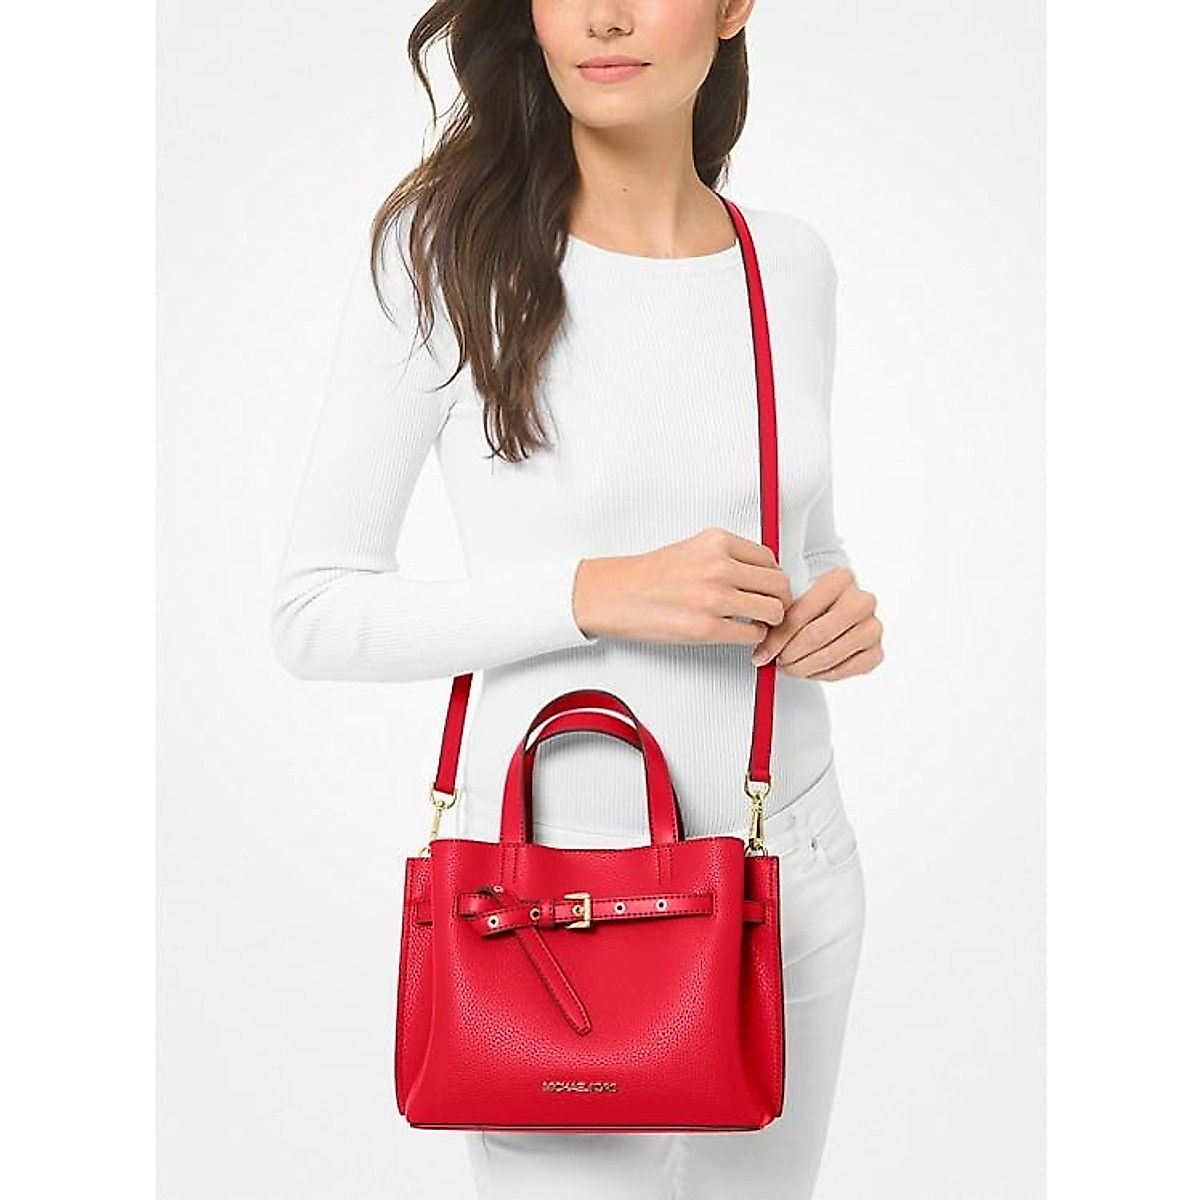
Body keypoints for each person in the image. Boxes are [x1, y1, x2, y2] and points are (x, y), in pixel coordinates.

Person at [270, 1, 885, 1196]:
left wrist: (836, 614)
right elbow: (315, 611)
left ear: (733, 5)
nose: (603, 15)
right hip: (550, 908)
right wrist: (596, 592)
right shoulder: (443, 258)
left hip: (786, 870)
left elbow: (802, 540)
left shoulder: (789, 263)